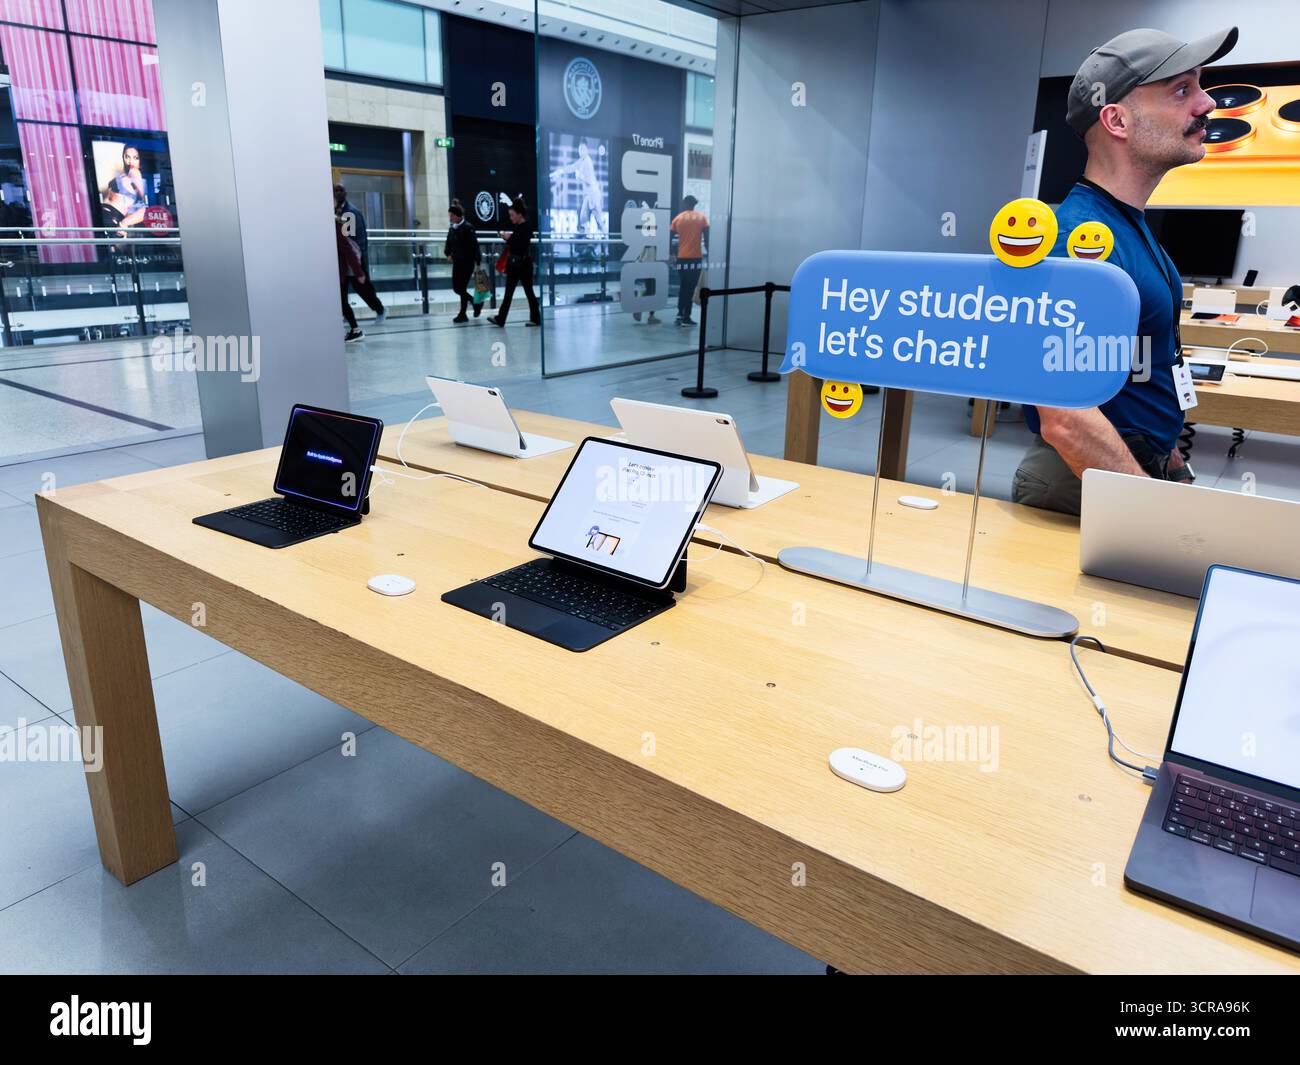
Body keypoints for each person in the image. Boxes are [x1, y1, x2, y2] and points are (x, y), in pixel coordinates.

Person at [1011, 26, 1238, 516]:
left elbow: (1142, 367)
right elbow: (1066, 419)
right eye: (1182, 89)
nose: (1206, 104)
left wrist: (1172, 466)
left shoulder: (1126, 227)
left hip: (1131, 468)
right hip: (1081, 479)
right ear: (1116, 120)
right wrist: (1151, 513)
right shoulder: (1075, 240)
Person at [334, 183, 386, 324]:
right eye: (336, 190)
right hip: (342, 258)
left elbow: (349, 239)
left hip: (353, 257)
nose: (338, 193)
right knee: (341, 290)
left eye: (340, 190)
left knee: (363, 288)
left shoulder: (350, 212)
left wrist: (357, 260)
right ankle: (347, 316)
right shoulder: (336, 211)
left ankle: (379, 309)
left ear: (345, 193)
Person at [489, 197, 541, 327]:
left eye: (512, 215)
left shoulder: (526, 227)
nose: (511, 218)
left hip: (522, 264)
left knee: (527, 291)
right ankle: (502, 318)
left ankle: (535, 318)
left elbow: (520, 244)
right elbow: (517, 242)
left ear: (519, 214)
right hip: (517, 264)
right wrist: (509, 238)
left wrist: (508, 238)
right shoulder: (520, 226)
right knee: (510, 292)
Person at [670, 195, 707, 326]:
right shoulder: (701, 218)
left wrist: (672, 254)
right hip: (695, 259)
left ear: (685, 204)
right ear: (694, 204)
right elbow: (707, 238)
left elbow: (669, 236)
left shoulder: (678, 218)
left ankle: (680, 313)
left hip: (681, 258)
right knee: (691, 288)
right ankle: (687, 316)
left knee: (683, 286)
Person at [444, 199, 481, 323]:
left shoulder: (468, 228)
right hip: (457, 262)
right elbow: (448, 243)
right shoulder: (452, 228)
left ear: (457, 216)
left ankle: (463, 313)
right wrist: (448, 253)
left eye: (451, 215)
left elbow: (475, 245)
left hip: (467, 262)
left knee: (461, 288)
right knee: (457, 288)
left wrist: (478, 261)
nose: (450, 218)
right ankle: (475, 304)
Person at [335, 210, 367, 343]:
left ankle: (356, 329)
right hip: (333, 273)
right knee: (341, 302)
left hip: (338, 273)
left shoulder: (335, 226)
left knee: (342, 302)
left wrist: (358, 272)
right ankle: (354, 329)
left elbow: (347, 249)